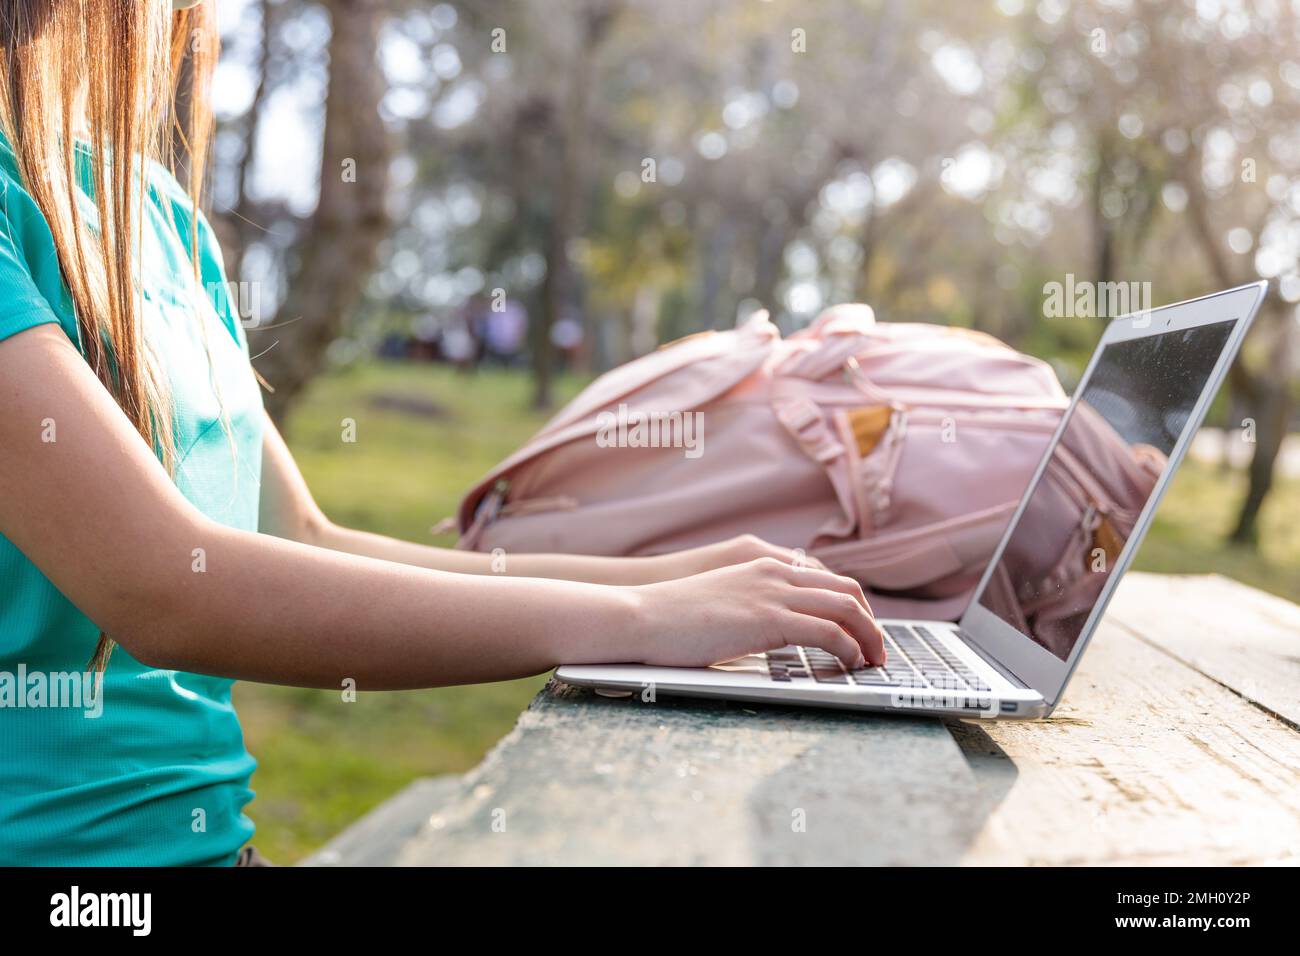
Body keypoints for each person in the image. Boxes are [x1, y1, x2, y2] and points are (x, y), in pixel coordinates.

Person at [0, 0, 883, 866]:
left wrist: (675, 580)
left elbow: (304, 535)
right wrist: (643, 617)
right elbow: (166, 588)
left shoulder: (157, 212)